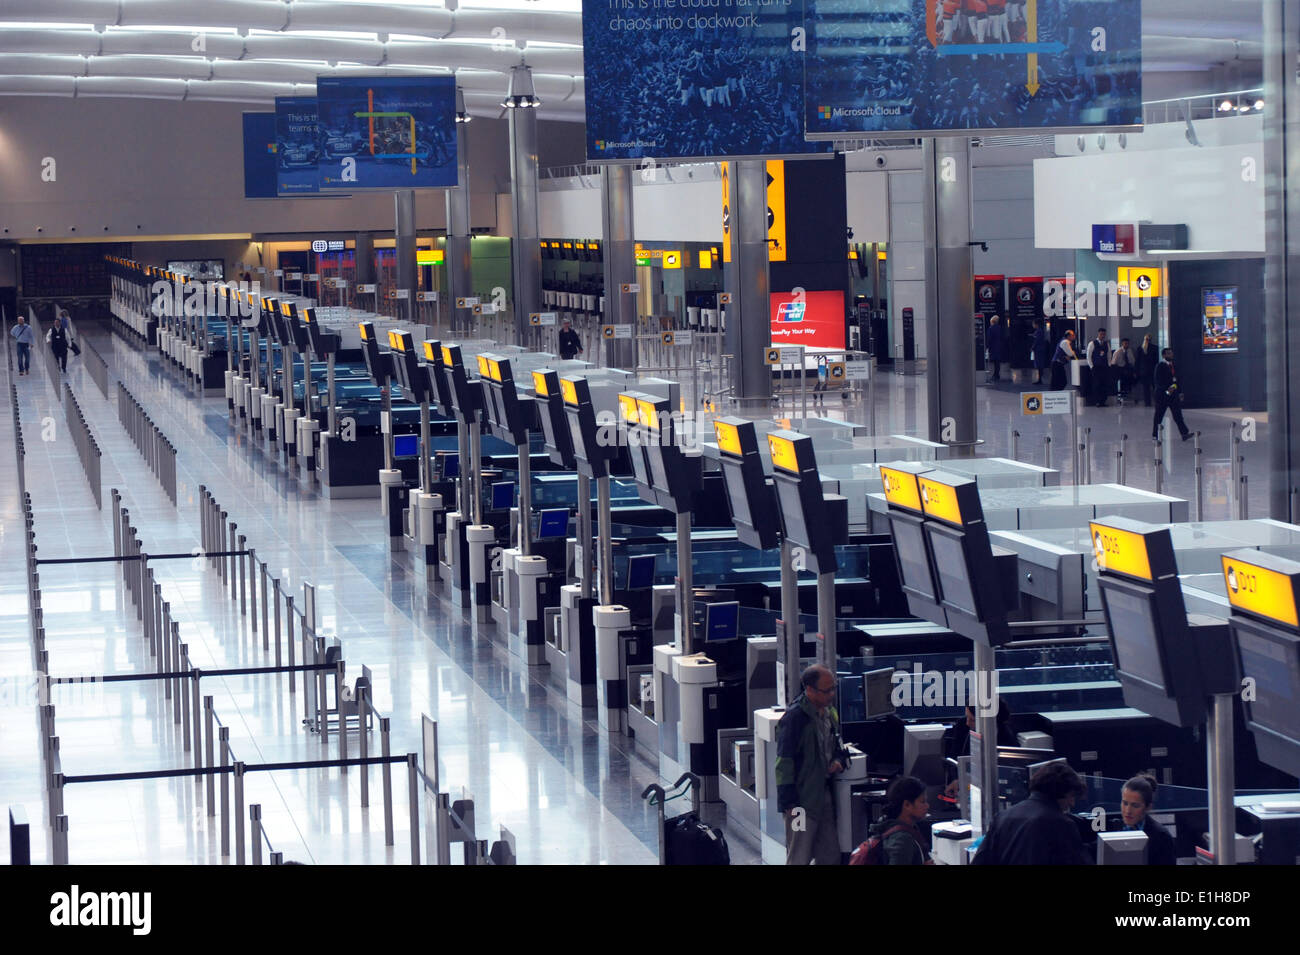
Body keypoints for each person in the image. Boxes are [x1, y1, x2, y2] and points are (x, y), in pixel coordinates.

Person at [775, 664, 849, 865]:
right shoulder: (795, 719)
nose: (831, 694)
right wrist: (789, 803)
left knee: (830, 853)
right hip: (800, 801)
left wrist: (838, 761)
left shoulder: (829, 712)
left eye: (833, 688)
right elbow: (783, 762)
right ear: (809, 689)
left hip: (823, 795)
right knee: (799, 854)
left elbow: (839, 746)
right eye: (827, 690)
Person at [971, 761, 1089, 865]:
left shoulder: (1002, 817)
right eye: (1071, 796)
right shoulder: (1061, 824)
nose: (1072, 803)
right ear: (1059, 792)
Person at [867, 776, 932, 865]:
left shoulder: (888, 825)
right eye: (923, 802)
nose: (927, 806)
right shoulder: (902, 839)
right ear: (907, 805)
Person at [1118, 773, 1176, 865]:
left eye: (1135, 805)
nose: (1128, 811)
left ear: (1148, 807)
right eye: (1125, 803)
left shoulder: (1161, 837)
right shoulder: (1112, 828)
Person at [1153, 347, 1192, 442]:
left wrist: (1179, 391)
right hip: (1162, 396)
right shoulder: (1160, 366)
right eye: (1168, 353)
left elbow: (1177, 380)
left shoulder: (1174, 365)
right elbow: (1158, 381)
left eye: (1171, 353)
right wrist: (1167, 390)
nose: (1171, 355)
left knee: (1178, 416)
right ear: (1164, 355)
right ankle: (1155, 435)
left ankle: (1184, 433)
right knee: (1159, 416)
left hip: (1173, 396)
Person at [1086, 327, 1111, 407]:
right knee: (1096, 384)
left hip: (1104, 367)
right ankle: (1096, 401)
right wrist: (1091, 366)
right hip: (1096, 367)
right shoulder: (1092, 343)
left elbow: (1109, 355)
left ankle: (1103, 401)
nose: (1102, 335)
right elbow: (1088, 356)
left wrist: (1109, 364)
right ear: (1098, 334)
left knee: (1104, 384)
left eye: (1104, 334)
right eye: (1101, 334)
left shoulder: (1106, 344)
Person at [1137, 334, 1158, 407]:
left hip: (1150, 371)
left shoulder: (1153, 348)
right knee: (1147, 388)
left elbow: (1156, 360)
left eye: (1148, 339)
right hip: (1145, 371)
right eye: (1146, 339)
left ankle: (1153, 402)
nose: (1147, 340)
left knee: (1153, 387)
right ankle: (1149, 402)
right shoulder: (1140, 348)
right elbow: (1138, 361)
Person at [985, 314, 1006, 382]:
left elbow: (989, 338)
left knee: (994, 361)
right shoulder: (1000, 328)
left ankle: (995, 374)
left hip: (993, 347)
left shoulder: (991, 328)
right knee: (997, 361)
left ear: (992, 321)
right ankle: (997, 374)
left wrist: (987, 346)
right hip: (999, 346)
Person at [1030, 319, 1050, 384]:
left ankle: (1040, 379)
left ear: (1036, 324)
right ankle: (1039, 379)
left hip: (1039, 350)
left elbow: (1037, 340)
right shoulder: (1039, 331)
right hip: (1039, 349)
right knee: (1039, 364)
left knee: (1039, 364)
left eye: (1033, 324)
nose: (1033, 325)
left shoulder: (1039, 331)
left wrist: (1033, 347)